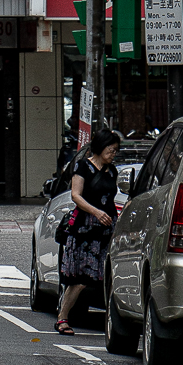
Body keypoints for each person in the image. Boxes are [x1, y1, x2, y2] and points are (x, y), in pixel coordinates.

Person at [55, 126, 121, 336]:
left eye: (115, 150)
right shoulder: (83, 167)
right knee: (79, 280)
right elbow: (76, 195)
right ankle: (62, 318)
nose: (113, 154)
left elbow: (112, 197)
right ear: (100, 148)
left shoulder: (112, 171)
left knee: (108, 276)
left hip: (106, 230)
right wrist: (96, 212)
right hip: (84, 230)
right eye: (111, 150)